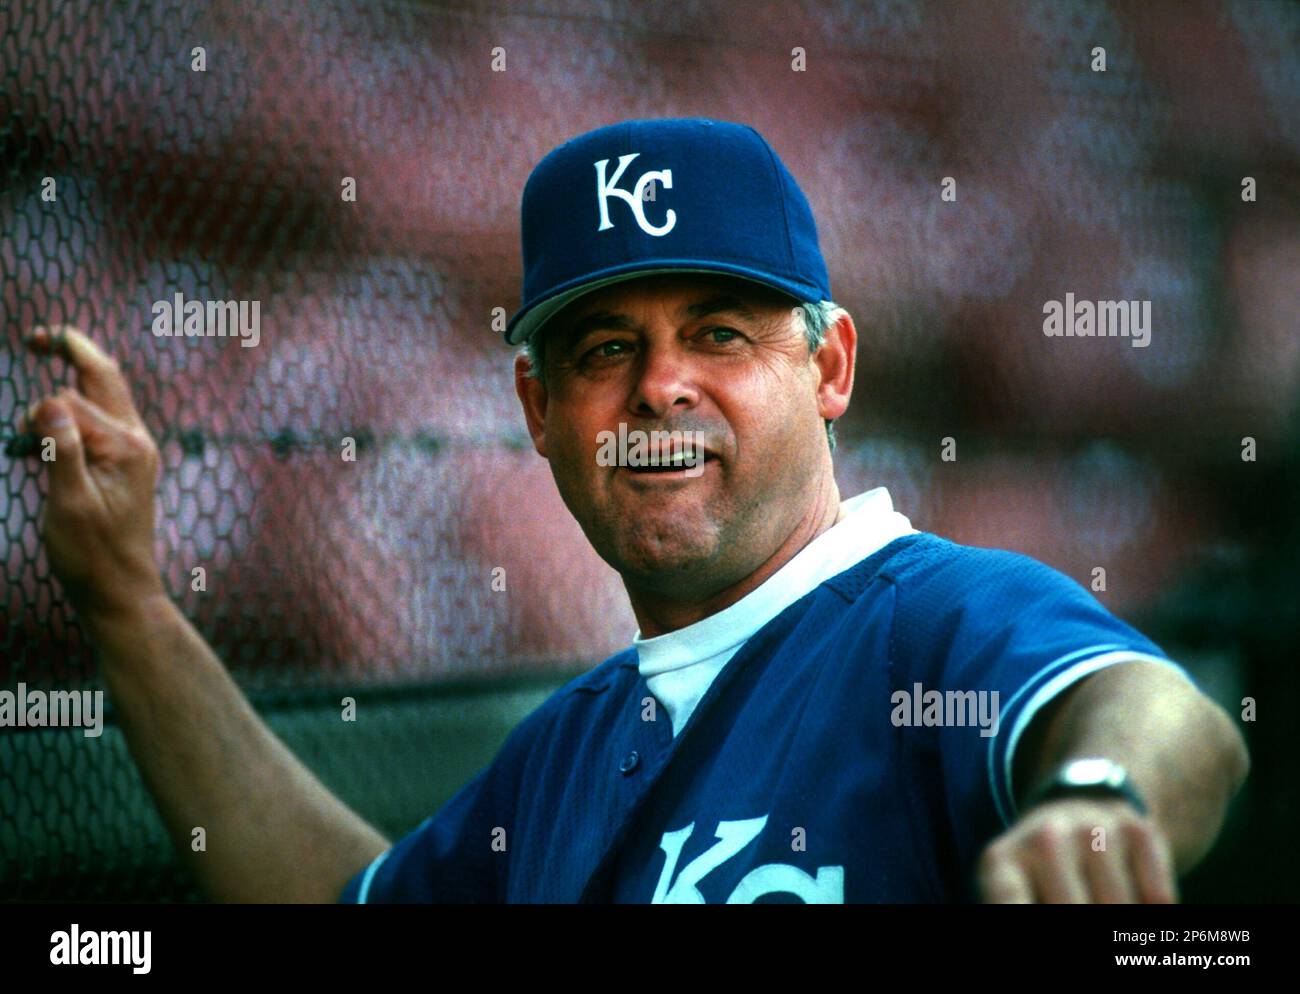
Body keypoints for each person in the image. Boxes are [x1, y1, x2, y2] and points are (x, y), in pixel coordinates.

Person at [19, 118, 1248, 903]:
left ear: (829, 370)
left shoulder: (932, 617)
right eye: (606, 345)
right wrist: (127, 604)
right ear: (540, 410)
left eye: (717, 331)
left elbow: (1162, 713)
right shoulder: (565, 752)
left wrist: (1098, 797)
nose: (660, 383)